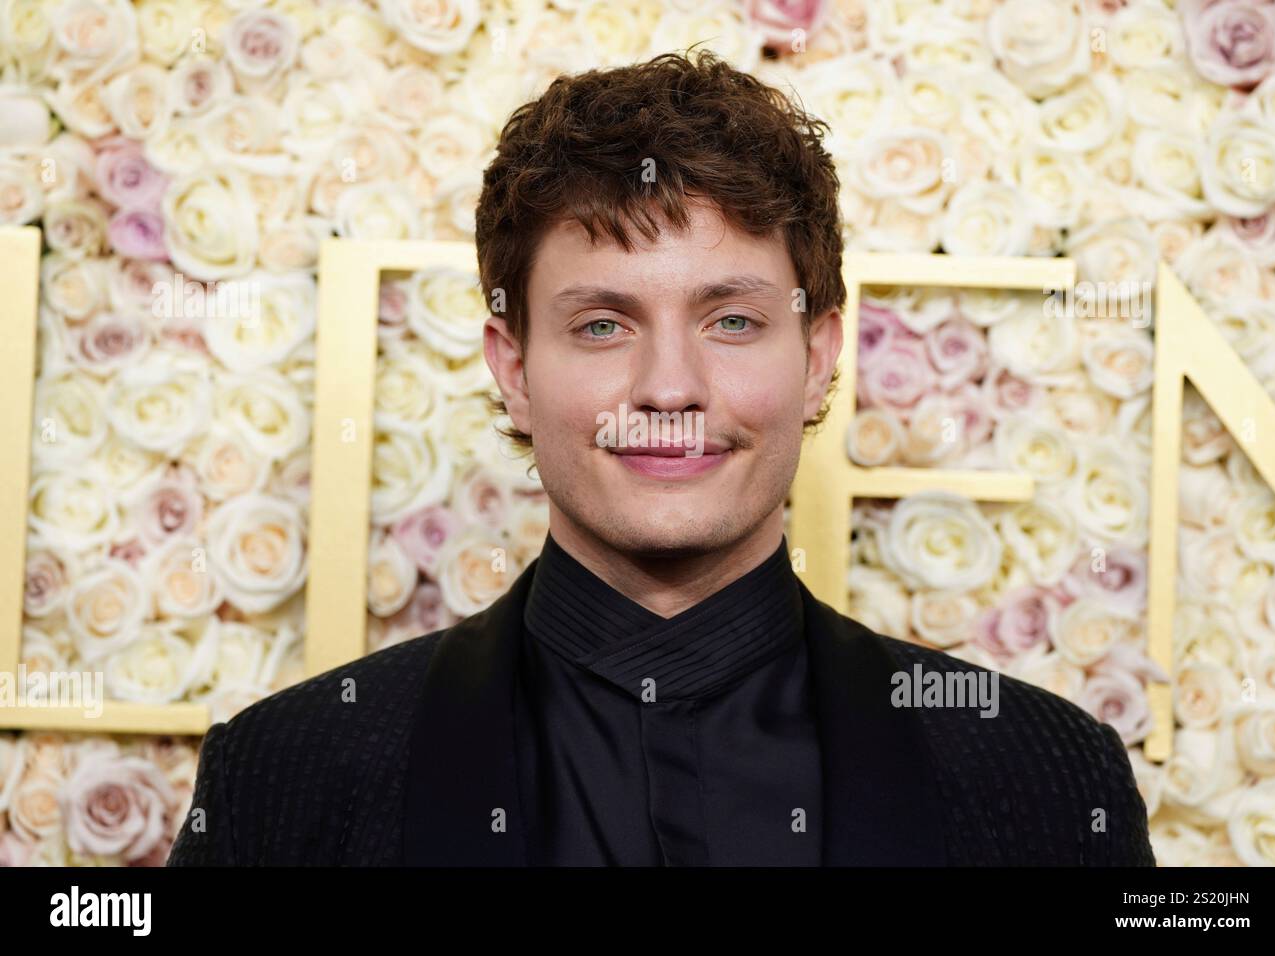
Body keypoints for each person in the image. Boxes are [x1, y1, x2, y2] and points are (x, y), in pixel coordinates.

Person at [167, 48, 1155, 867]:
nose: (669, 388)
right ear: (513, 367)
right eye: (603, 325)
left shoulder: (1042, 779)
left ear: (819, 358)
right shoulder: (285, 777)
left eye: (732, 320)